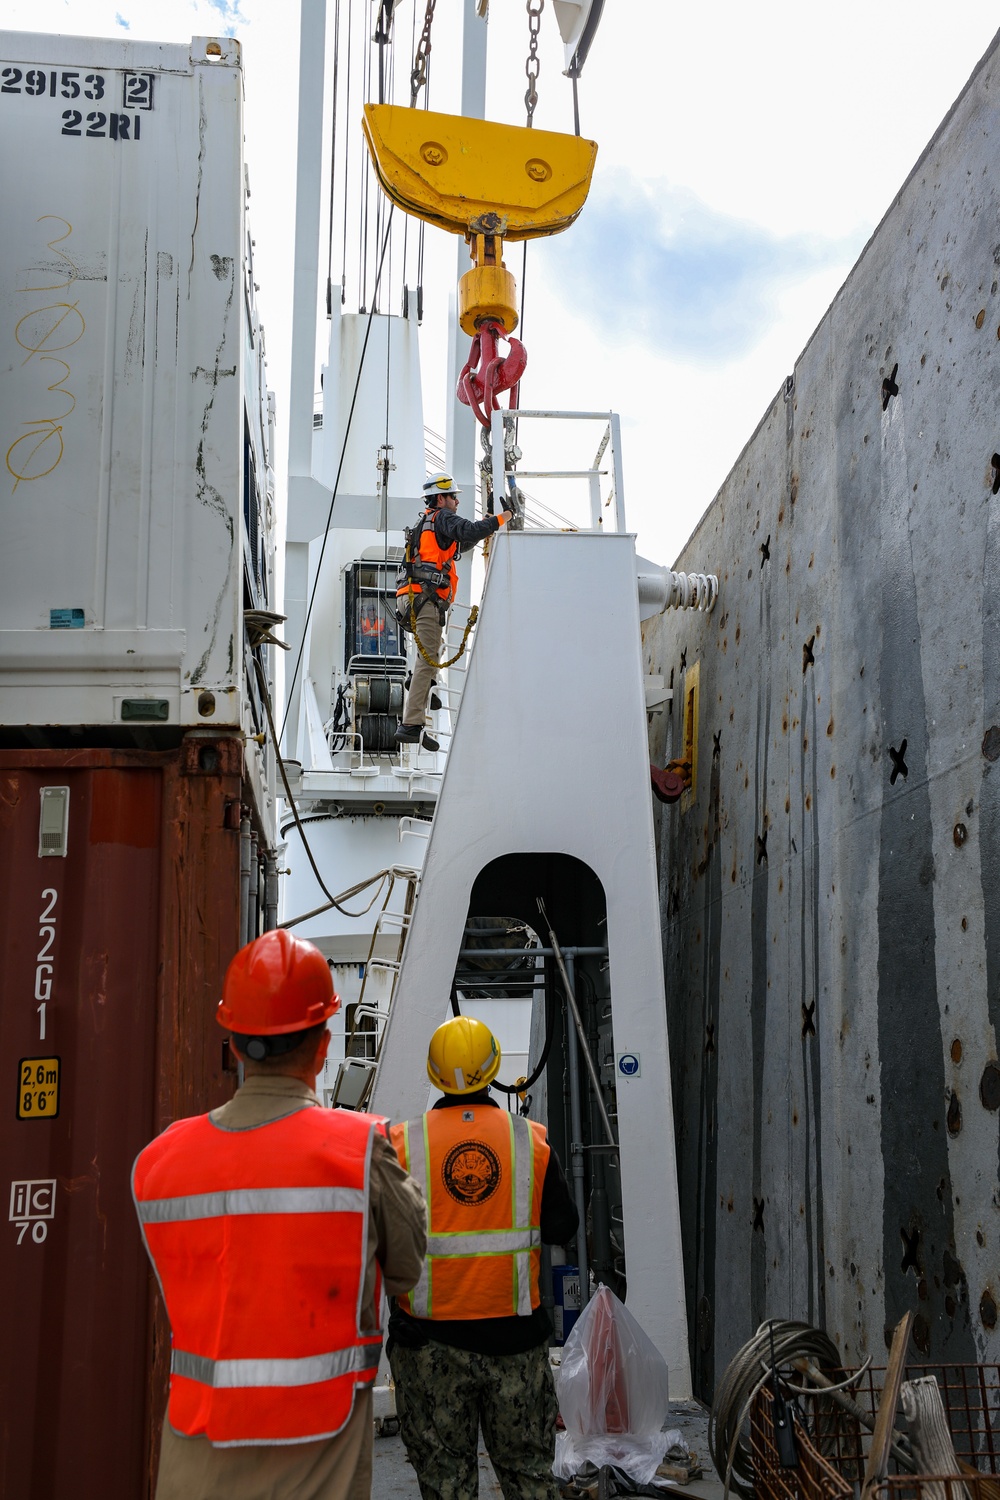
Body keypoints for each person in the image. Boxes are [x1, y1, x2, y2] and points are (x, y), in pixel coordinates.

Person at [132, 929, 427, 1500]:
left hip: (194, 1463)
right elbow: (409, 1271)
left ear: (237, 1045)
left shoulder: (158, 1163)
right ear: (324, 1044)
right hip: (318, 1461)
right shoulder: (362, 1149)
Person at [387, 1015, 579, 1500]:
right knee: (530, 1477)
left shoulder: (401, 1144)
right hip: (515, 1344)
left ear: (433, 1072)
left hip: (430, 1347)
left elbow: (379, 1241)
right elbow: (563, 1227)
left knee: (445, 1484)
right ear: (493, 1067)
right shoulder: (530, 1142)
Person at [395, 472, 513, 752]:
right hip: (425, 598)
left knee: (430, 654)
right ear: (440, 498)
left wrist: (488, 524)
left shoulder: (426, 523)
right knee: (428, 659)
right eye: (453, 497)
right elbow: (468, 531)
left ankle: (422, 684)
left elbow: (462, 542)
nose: (457, 502)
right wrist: (503, 518)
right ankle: (411, 725)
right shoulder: (443, 518)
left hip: (412, 597)